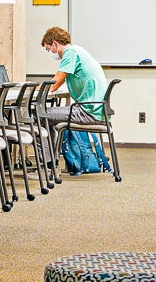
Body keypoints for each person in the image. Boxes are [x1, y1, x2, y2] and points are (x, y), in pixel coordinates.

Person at [40, 26, 111, 175]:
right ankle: (52, 163)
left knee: (39, 114)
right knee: (49, 117)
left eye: (49, 49)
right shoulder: (78, 50)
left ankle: (47, 167)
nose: (50, 53)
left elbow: (54, 84)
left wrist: (33, 89)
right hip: (97, 110)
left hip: (87, 111)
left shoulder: (69, 53)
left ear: (55, 44)